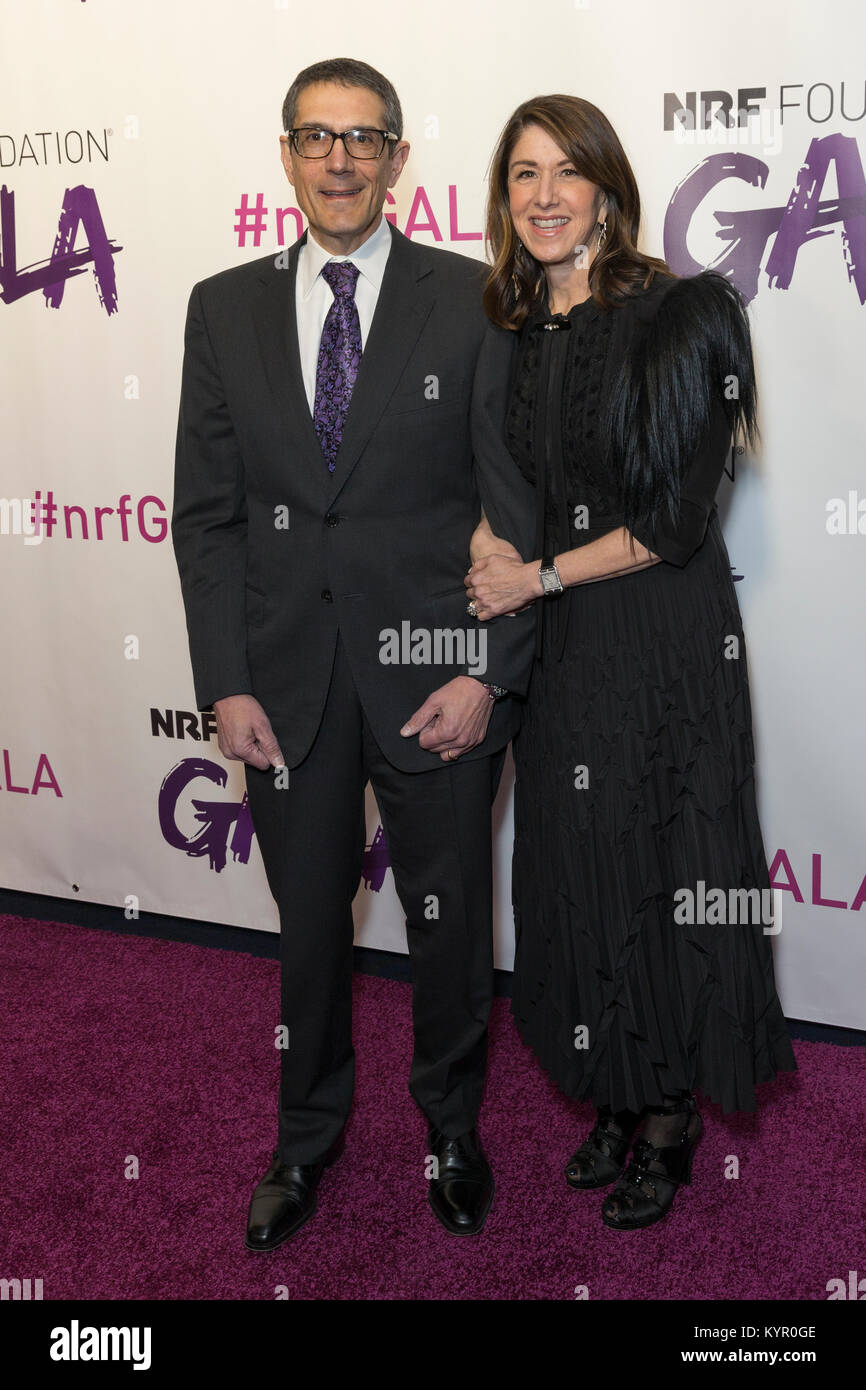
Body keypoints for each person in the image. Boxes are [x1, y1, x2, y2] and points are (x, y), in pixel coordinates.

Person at [171, 58, 536, 1250]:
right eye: (315, 138)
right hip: (283, 688)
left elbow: (517, 510)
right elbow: (209, 515)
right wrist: (223, 678)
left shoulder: (471, 299)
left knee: (448, 926)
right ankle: (303, 1138)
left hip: (438, 680)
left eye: (363, 137)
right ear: (285, 154)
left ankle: (451, 1131)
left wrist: (489, 671)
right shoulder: (220, 307)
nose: (338, 159)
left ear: (395, 159)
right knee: (308, 935)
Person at [465, 94, 797, 1230]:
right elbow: (499, 482)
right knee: (575, 870)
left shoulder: (679, 315)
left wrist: (535, 578)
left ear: (607, 187)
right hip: (556, 650)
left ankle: (664, 1117)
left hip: (655, 640)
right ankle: (611, 1085)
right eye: (522, 174)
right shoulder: (508, 327)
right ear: (502, 196)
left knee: (653, 866)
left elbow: (671, 522)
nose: (544, 195)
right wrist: (489, 547)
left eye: (566, 171)